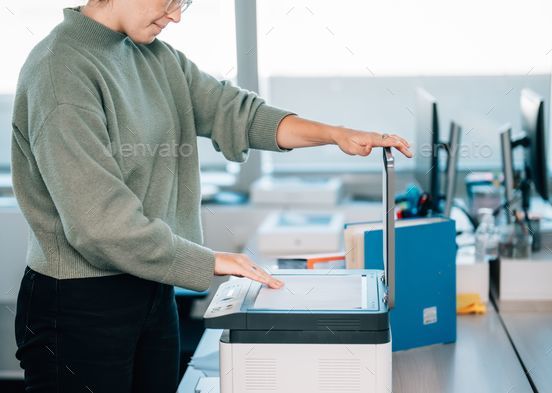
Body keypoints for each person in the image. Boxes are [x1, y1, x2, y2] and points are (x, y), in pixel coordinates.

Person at [10, 1, 412, 392]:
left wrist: (335, 134)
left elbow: (235, 112)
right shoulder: (59, 72)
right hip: (80, 304)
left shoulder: (153, 56)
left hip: (151, 284)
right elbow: (99, 224)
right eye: (169, 0)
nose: (177, 15)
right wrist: (211, 260)